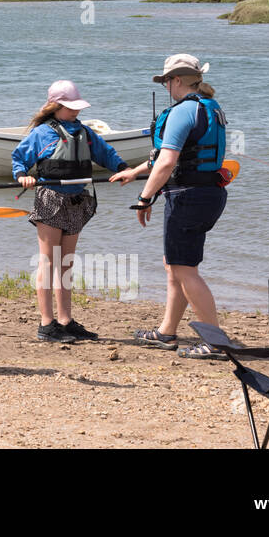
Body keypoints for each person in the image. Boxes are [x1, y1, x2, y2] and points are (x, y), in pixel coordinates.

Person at [112, 54, 229, 360]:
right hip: (207, 194)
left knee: (184, 269)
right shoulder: (209, 107)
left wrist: (144, 197)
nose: (166, 86)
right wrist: (136, 172)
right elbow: (167, 156)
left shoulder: (183, 111)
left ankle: (214, 340)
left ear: (176, 80)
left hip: (188, 197)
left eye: (166, 81)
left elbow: (166, 162)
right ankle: (167, 332)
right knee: (174, 266)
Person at [12, 80, 129, 343]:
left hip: (77, 200)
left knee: (66, 263)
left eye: (77, 107)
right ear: (55, 107)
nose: (75, 112)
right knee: (48, 262)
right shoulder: (42, 133)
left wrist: (121, 168)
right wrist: (22, 176)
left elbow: (105, 153)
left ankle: (64, 320)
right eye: (69, 107)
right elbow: (19, 157)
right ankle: (46, 324)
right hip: (51, 199)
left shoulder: (85, 133)